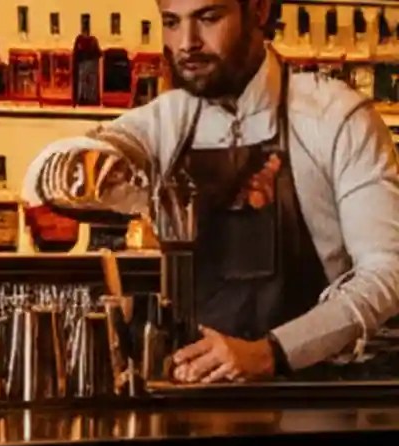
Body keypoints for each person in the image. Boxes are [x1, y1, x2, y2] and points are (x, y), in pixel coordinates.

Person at [22, 0, 399, 383]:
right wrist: (82, 167)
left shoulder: (334, 115)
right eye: (171, 22)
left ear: (259, 11)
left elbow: (387, 271)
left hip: (315, 401)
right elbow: (53, 168)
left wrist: (273, 351)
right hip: (196, 393)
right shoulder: (170, 119)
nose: (186, 42)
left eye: (208, 18)